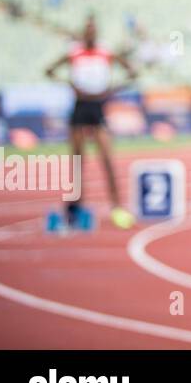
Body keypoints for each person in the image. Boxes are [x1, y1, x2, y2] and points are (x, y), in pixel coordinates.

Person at [45, 15, 139, 229]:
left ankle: (117, 207)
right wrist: (70, 84)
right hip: (79, 106)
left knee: (107, 159)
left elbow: (132, 72)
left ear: (96, 32)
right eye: (87, 29)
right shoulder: (74, 51)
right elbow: (49, 70)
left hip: (98, 107)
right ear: (83, 32)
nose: (90, 33)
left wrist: (112, 89)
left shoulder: (106, 51)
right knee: (77, 163)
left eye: (93, 30)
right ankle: (76, 207)